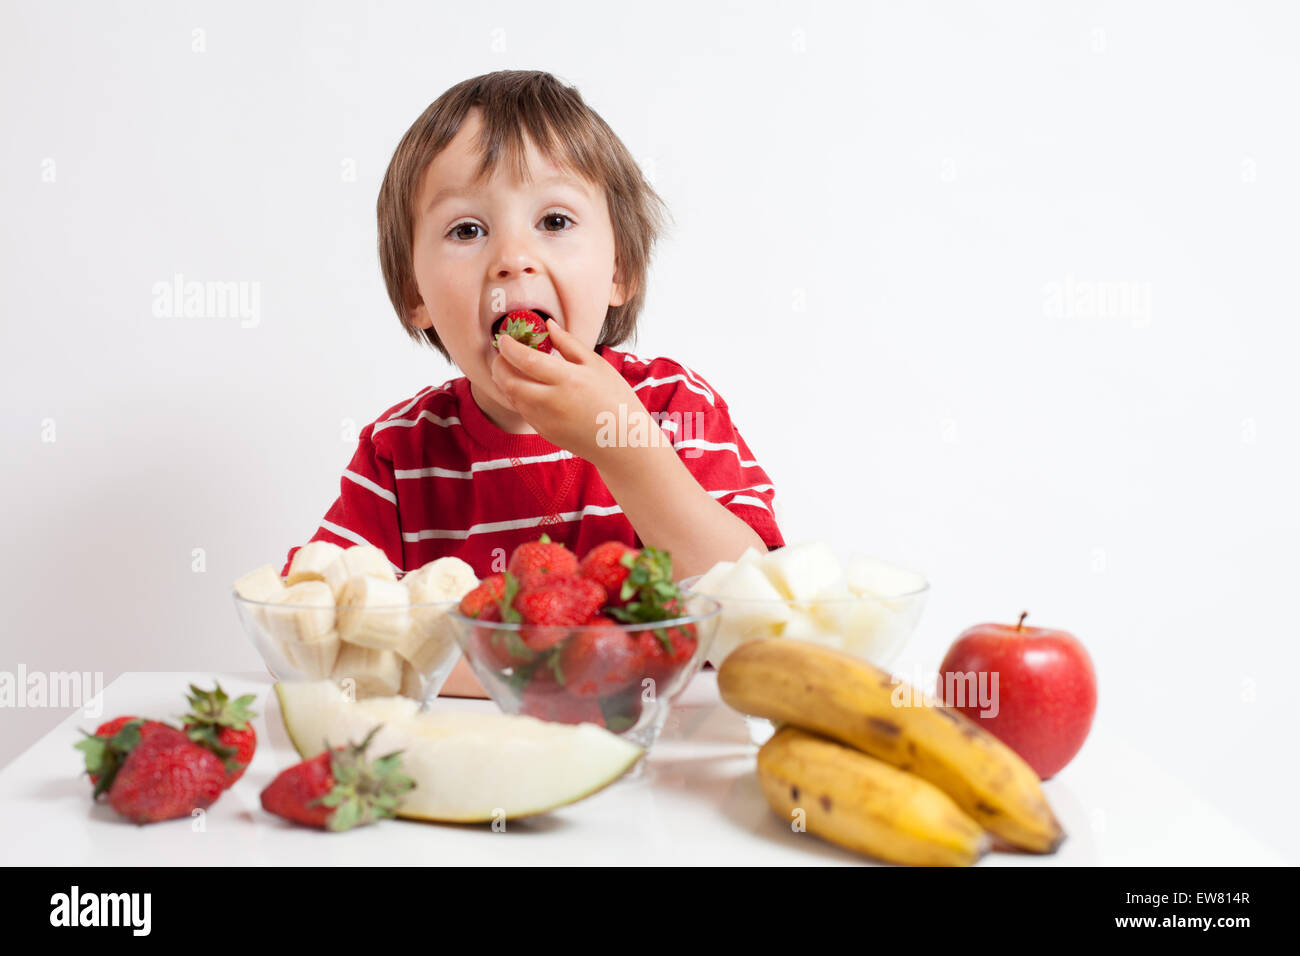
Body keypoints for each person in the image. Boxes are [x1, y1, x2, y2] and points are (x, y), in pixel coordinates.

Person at [281, 70, 784, 693]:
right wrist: (531, 678)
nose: (512, 257)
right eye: (467, 230)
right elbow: (317, 623)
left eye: (554, 221)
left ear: (620, 269)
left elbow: (755, 619)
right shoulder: (400, 454)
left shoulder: (676, 410)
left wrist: (619, 443)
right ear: (416, 294)